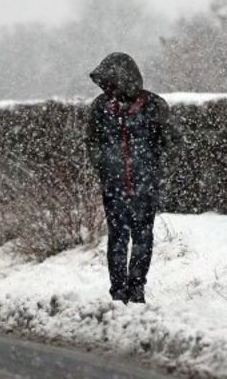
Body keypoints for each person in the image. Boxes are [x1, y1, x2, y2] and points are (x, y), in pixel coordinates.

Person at [86, 52, 173, 304]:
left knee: (143, 237)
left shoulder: (154, 105)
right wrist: (103, 167)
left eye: (112, 83)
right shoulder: (100, 108)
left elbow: (172, 141)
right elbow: (92, 141)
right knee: (117, 238)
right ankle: (118, 291)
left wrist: (158, 171)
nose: (108, 89)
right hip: (113, 187)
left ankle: (137, 288)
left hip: (145, 187)